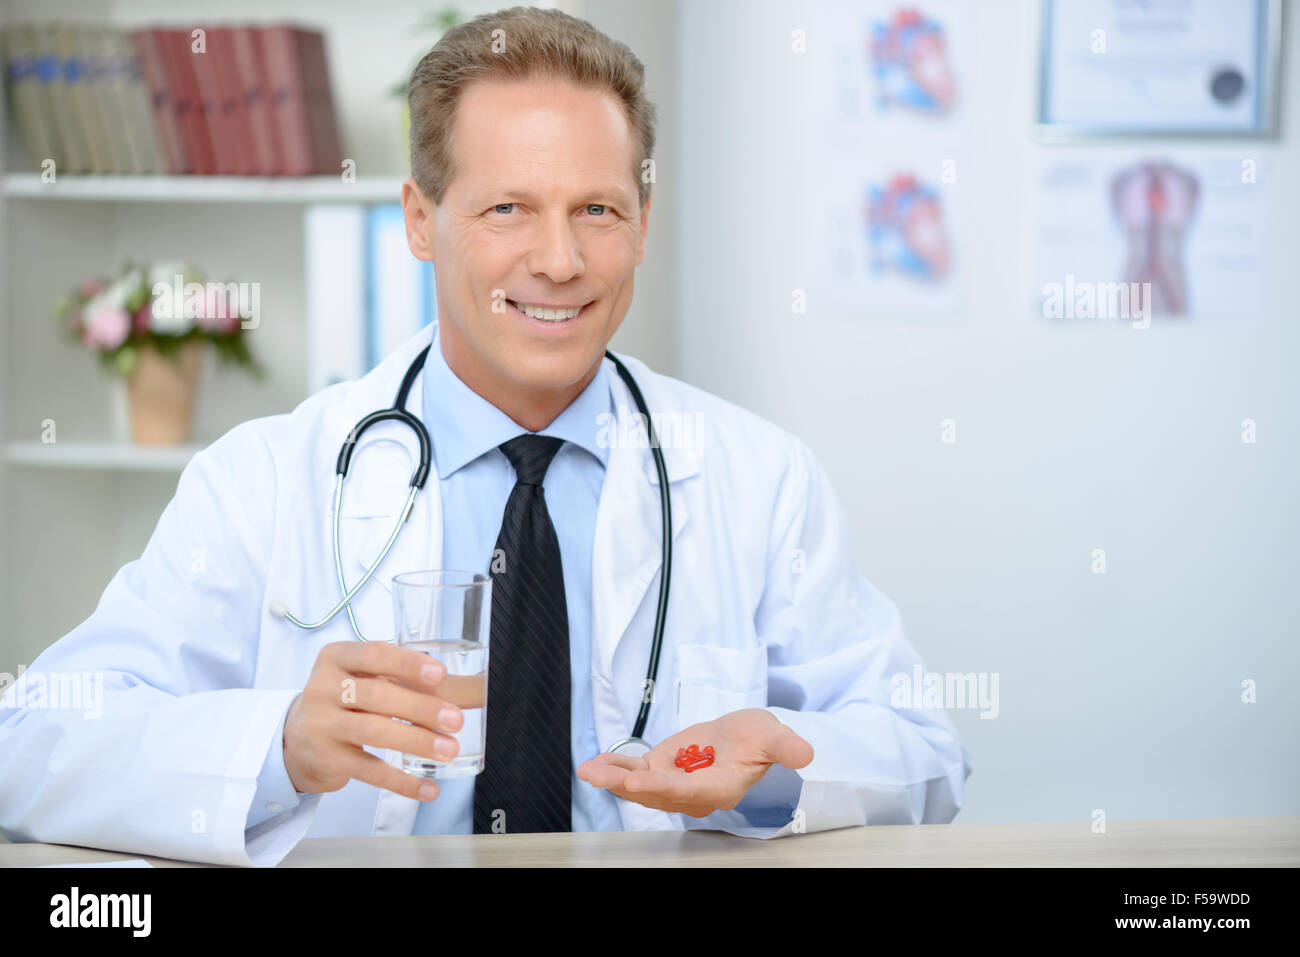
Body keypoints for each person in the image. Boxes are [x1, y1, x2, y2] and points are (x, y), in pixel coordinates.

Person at [0, 6, 971, 866]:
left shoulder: (757, 478)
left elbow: (924, 752)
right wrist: (276, 745)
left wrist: (768, 779)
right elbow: (30, 747)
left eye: (598, 209)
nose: (559, 260)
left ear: (641, 224)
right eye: (507, 208)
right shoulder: (266, 479)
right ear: (421, 219)